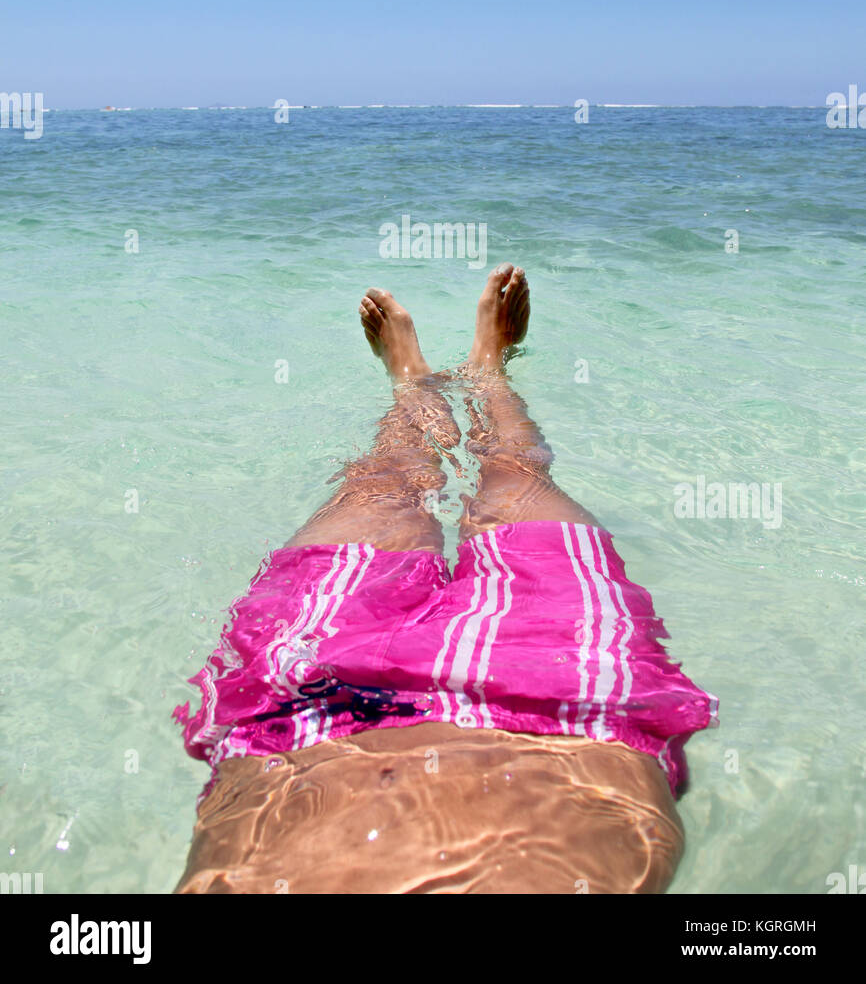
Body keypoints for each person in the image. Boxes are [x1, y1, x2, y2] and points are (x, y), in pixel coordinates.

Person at [174, 265, 716, 894]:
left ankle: (418, 388)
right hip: (572, 705)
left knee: (380, 484)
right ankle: (486, 377)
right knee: (516, 479)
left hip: (299, 711)